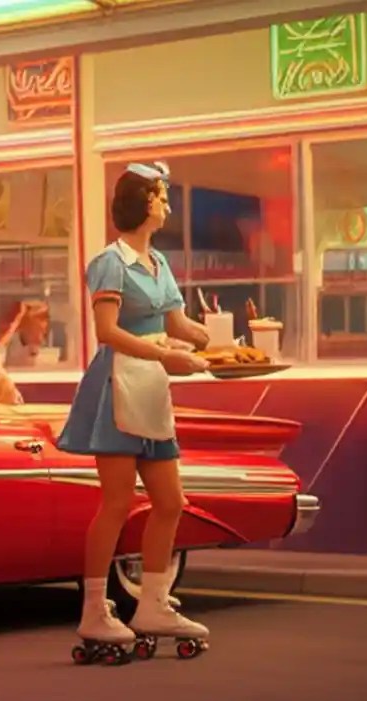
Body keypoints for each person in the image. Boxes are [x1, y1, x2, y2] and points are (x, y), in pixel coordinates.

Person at [56, 161, 212, 661]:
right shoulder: (110, 262)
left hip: (149, 387)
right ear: (144, 202)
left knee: (170, 501)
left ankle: (152, 604)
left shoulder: (158, 263)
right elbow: (107, 331)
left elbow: (175, 321)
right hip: (116, 386)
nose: (167, 205)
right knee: (117, 503)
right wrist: (166, 354)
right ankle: (95, 609)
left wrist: (206, 337)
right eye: (162, 197)